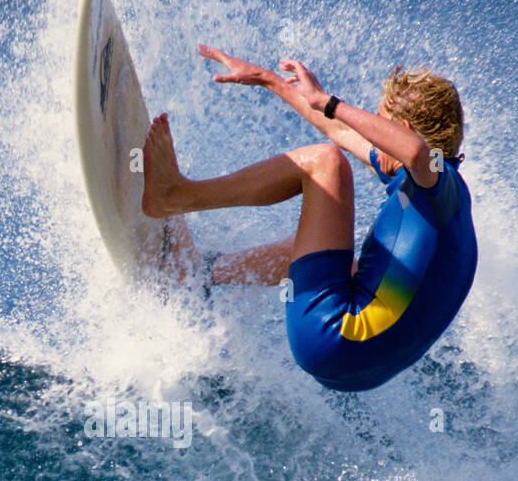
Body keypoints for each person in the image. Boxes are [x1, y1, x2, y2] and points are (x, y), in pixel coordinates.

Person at [141, 49, 477, 392]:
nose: (375, 139)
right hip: (357, 367)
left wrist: (328, 100)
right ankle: (199, 277)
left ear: (402, 130)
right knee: (319, 244)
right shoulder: (433, 193)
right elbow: (342, 133)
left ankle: (174, 197)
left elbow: (416, 151)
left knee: (325, 163)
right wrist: (267, 79)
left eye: (380, 122)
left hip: (336, 334)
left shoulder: (438, 182)